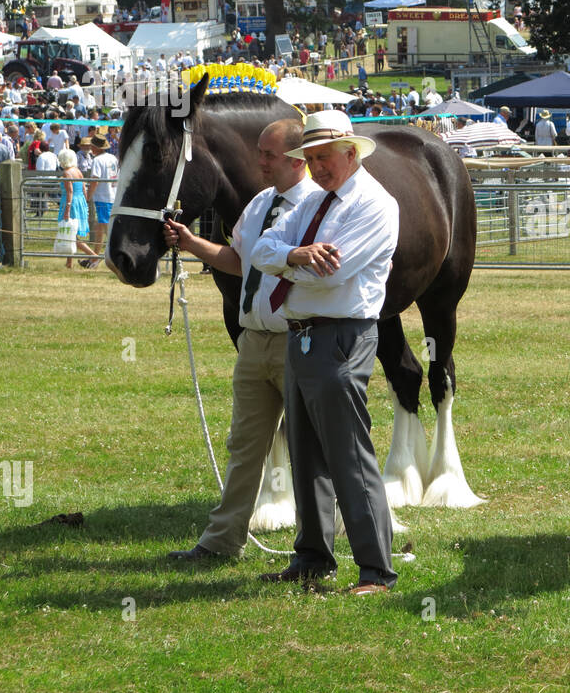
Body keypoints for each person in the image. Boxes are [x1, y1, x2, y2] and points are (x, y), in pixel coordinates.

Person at [250, 110, 400, 595]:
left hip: (342, 336)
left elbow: (332, 271)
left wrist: (288, 261)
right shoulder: (319, 203)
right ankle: (313, 557)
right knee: (307, 452)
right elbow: (260, 248)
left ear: (351, 153)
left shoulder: (375, 204)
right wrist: (295, 256)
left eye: (324, 157)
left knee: (348, 453)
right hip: (305, 335)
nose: (316, 167)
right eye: (309, 159)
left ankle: (375, 570)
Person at [163, 119, 320, 561]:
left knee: (314, 447)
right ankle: (221, 541)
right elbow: (238, 261)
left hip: (300, 340)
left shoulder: (316, 207)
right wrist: (192, 243)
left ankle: (321, 543)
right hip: (254, 343)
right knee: (245, 444)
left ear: (294, 159)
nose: (260, 162)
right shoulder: (258, 204)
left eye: (268, 155)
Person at [56, 147, 97, 268]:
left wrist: (67, 209)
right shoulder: (78, 171)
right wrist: (85, 203)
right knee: (71, 233)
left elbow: (69, 192)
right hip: (80, 202)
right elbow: (84, 189)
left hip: (71, 203)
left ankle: (93, 256)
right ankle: (69, 263)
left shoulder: (67, 173)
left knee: (71, 234)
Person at [87, 133, 118, 261]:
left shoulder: (97, 160)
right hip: (113, 195)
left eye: (92, 146)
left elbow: (95, 180)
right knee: (100, 227)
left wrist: (88, 195)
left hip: (103, 197)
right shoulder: (113, 158)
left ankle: (115, 255)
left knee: (107, 229)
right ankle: (95, 257)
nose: (91, 148)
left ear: (97, 148)